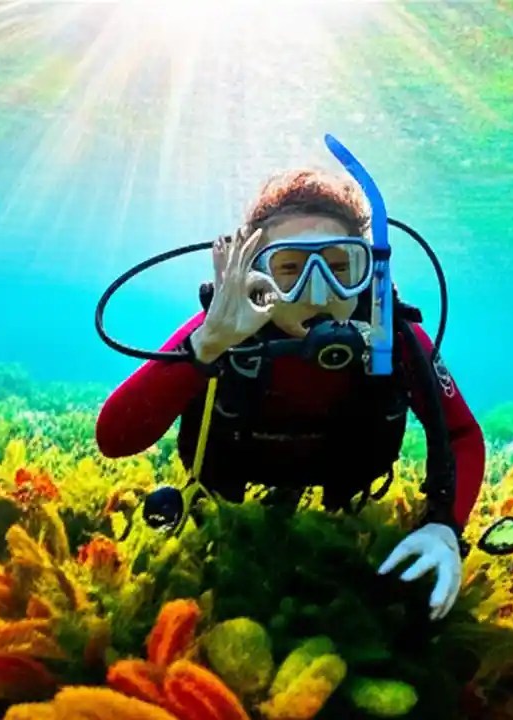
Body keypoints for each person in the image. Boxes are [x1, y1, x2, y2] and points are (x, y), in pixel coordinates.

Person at [94, 164, 485, 621]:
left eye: (341, 268)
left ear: (369, 271)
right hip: (228, 496)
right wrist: (206, 345)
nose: (318, 293)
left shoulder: (390, 338)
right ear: (252, 271)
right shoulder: (224, 330)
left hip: (346, 499)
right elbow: (115, 439)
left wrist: (445, 526)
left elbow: (462, 435)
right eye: (289, 270)